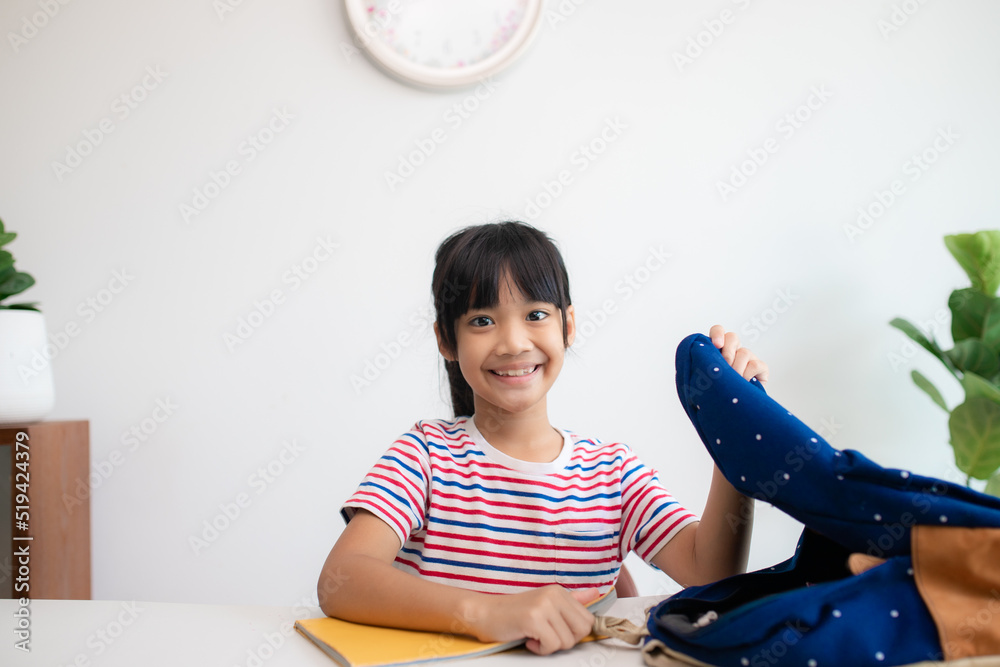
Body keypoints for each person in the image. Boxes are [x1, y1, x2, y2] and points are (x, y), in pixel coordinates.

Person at [317, 221, 768, 656]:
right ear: (446, 341)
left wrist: (735, 432)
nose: (513, 342)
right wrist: (488, 613)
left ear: (567, 325)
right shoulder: (424, 455)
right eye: (480, 320)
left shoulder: (612, 471)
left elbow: (712, 573)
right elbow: (342, 577)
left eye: (535, 314)